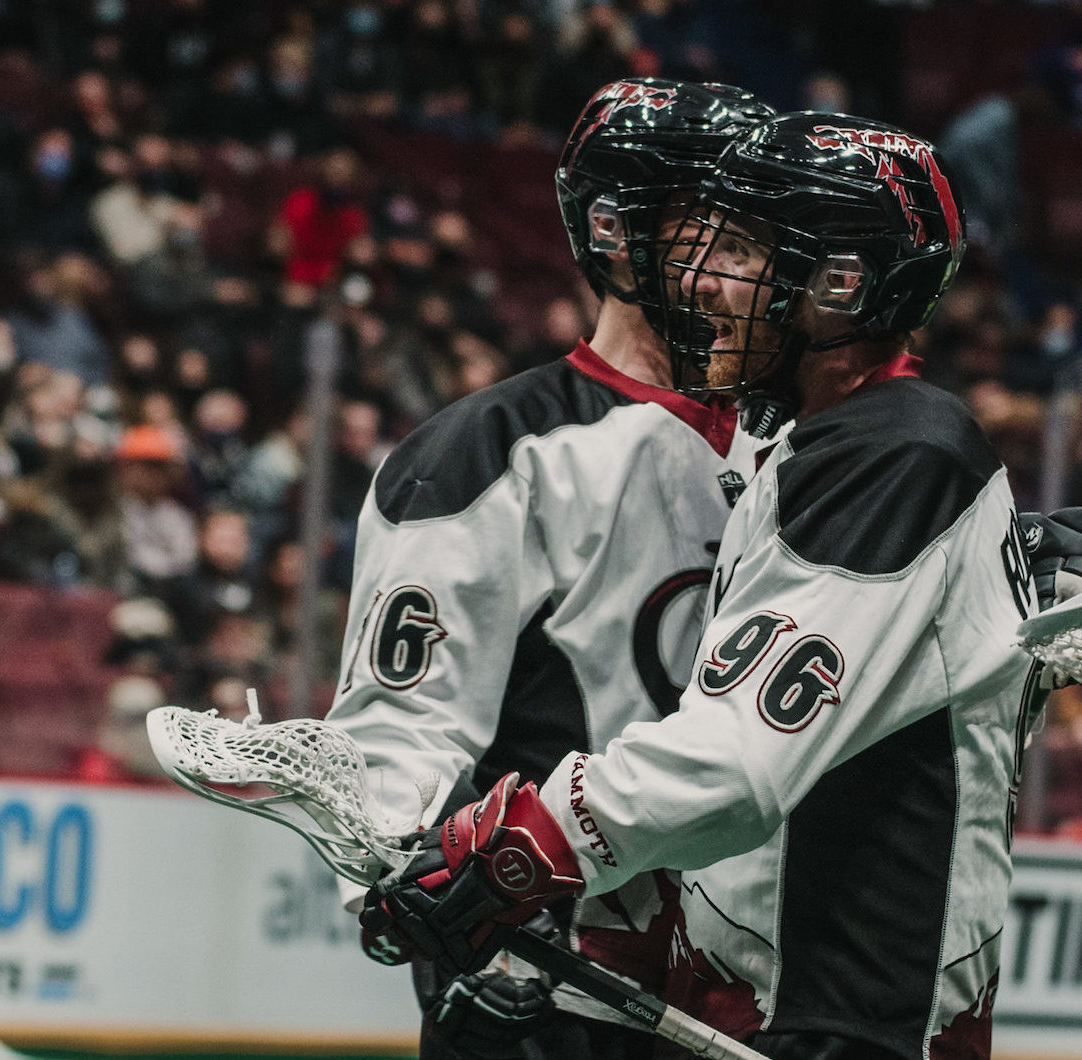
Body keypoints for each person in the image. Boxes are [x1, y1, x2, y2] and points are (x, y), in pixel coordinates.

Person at [363, 113, 1082, 1060]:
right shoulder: (824, 449)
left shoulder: (895, 450)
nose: (704, 283)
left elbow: (737, 761)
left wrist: (518, 850)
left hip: (836, 1023)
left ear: (840, 286)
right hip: (766, 1014)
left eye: (743, 253)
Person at [322, 78, 775, 1059]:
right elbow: (400, 735)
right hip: (554, 1010)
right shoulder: (490, 455)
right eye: (720, 226)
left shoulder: (816, 455)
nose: (756, 257)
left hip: (758, 998)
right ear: (619, 235)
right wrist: (423, 882)